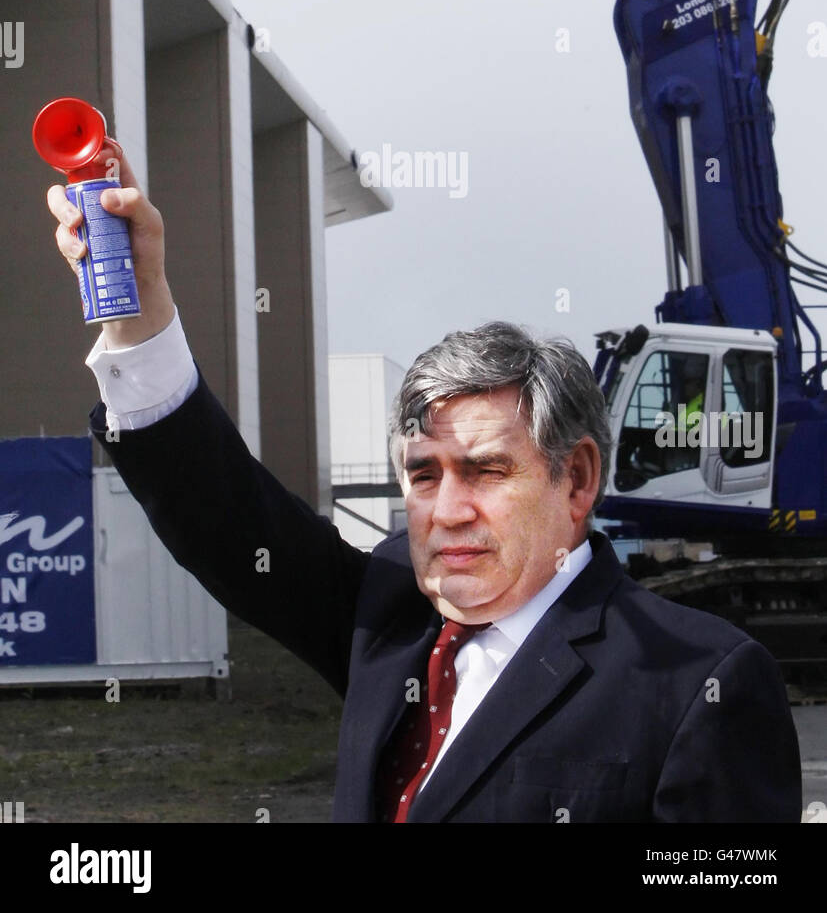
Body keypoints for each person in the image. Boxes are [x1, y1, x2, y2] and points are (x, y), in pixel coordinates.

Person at [47, 146, 802, 824]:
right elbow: (223, 514)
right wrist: (136, 308)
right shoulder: (389, 616)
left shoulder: (697, 680)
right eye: (421, 473)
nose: (445, 511)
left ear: (575, 479)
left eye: (485, 471)